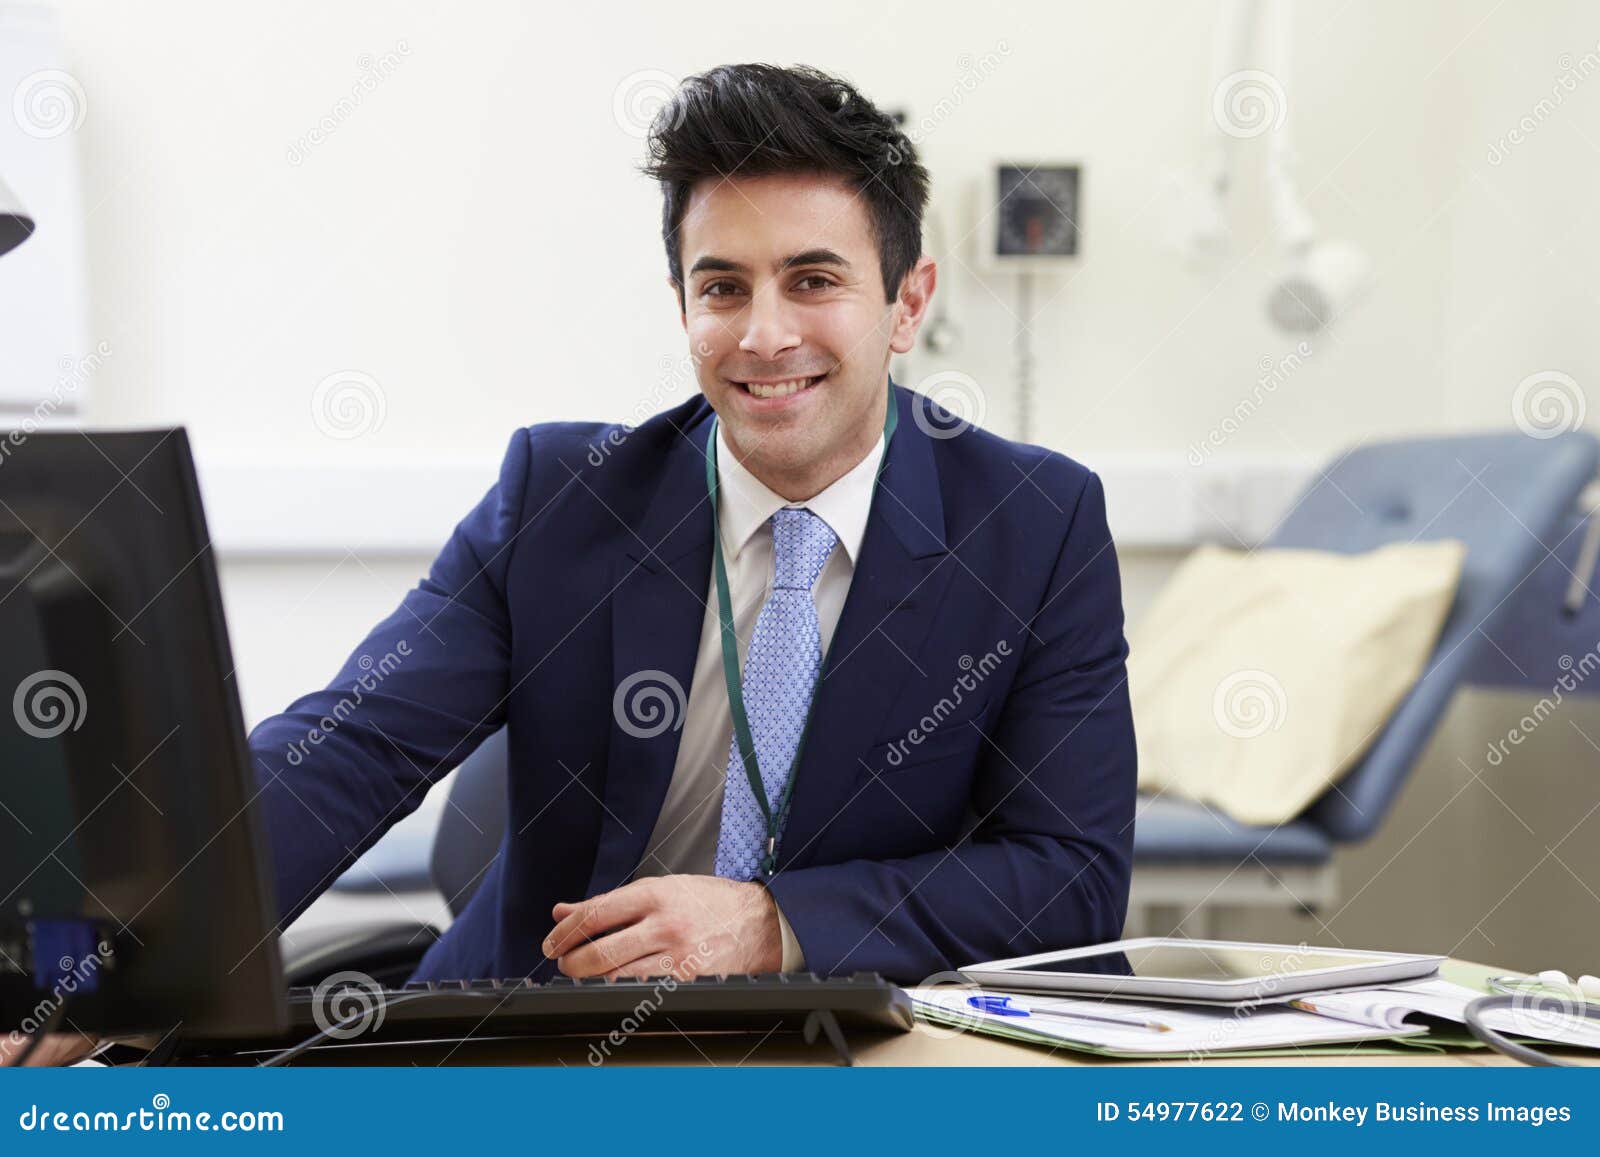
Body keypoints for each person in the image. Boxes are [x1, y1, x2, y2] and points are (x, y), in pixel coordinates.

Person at [6, 62, 1136, 1064]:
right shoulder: (564, 496)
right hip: (537, 1038)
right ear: (681, 302)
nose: (763, 334)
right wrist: (120, 938)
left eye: (813, 279)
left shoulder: (1033, 524)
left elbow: (1070, 871)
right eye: (722, 286)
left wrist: (768, 921)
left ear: (907, 302)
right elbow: (348, 745)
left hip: (848, 1049)